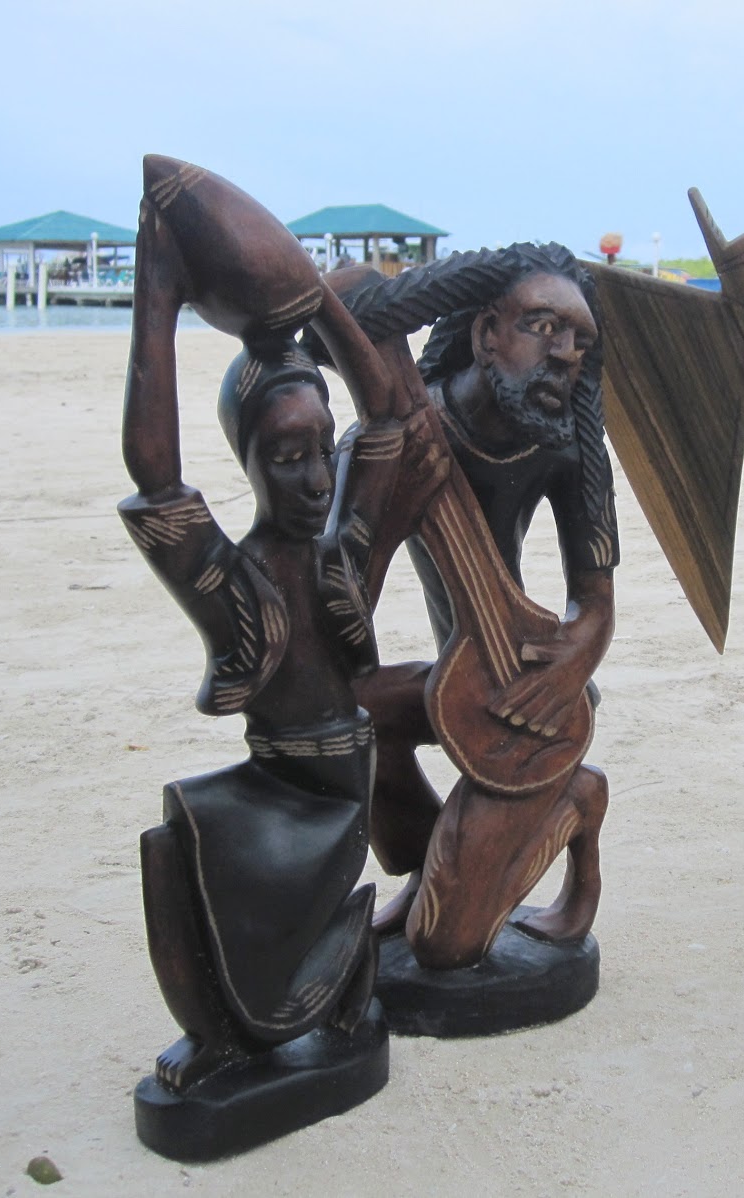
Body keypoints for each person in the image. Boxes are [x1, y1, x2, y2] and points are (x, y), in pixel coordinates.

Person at [119, 201, 440, 1089]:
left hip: (336, 793)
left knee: (205, 842)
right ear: (248, 463)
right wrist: (158, 298)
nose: (314, 478)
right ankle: (231, 1033)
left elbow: (386, 417)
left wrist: (317, 302)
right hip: (280, 777)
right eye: (286, 456)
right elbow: (154, 474)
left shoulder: (345, 555)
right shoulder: (234, 581)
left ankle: (301, 1000)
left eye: (321, 453)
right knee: (171, 846)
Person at [312, 244, 617, 970]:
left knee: (443, 947)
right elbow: (331, 306)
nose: (565, 354)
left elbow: (595, 605)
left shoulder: (565, 450)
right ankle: (425, 864)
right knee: (354, 713)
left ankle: (576, 800)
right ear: (485, 334)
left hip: (533, 693)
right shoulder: (404, 435)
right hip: (458, 684)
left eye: (579, 341)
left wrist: (575, 656)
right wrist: (383, 492)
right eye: (543, 326)